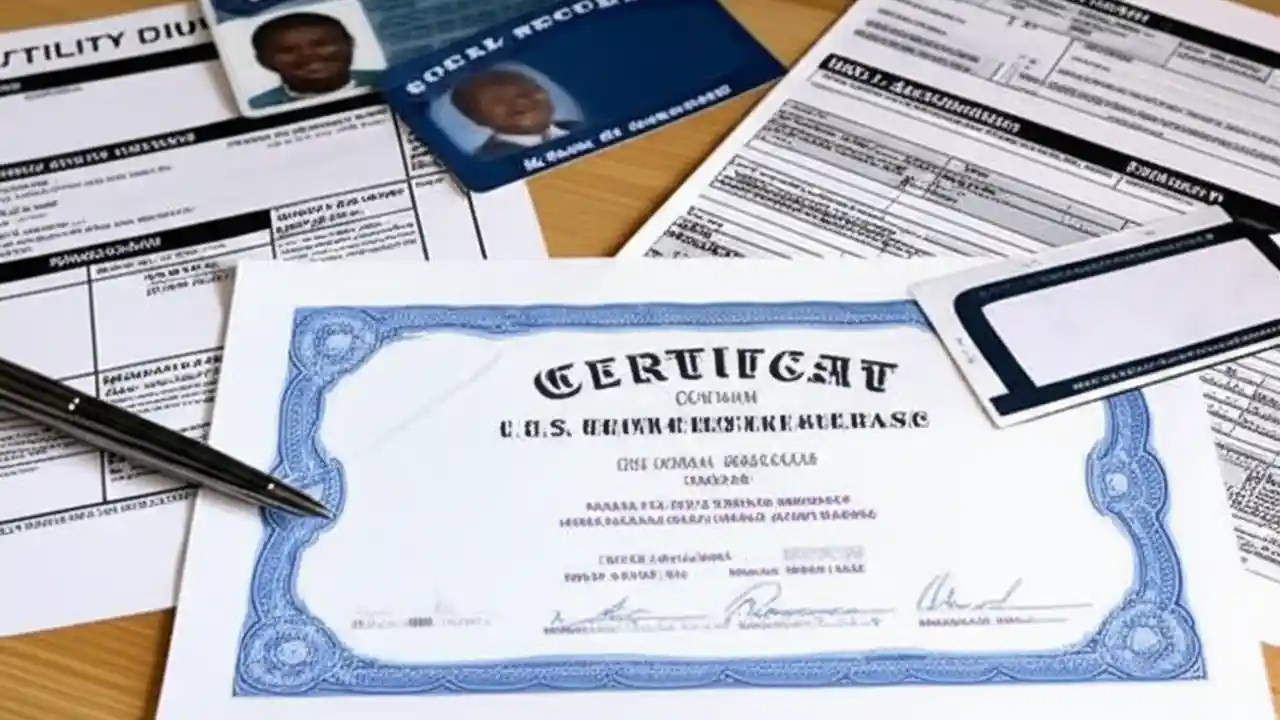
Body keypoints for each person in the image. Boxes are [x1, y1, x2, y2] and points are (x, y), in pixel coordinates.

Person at [247, 12, 380, 110]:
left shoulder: (386, 81)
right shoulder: (255, 108)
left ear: (350, 44)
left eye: (321, 45)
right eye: (288, 50)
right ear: (263, 60)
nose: (308, 55)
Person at [450, 68, 580, 159]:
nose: (521, 101)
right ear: (476, 117)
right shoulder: (487, 161)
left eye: (528, 90)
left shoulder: (578, 127)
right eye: (499, 99)